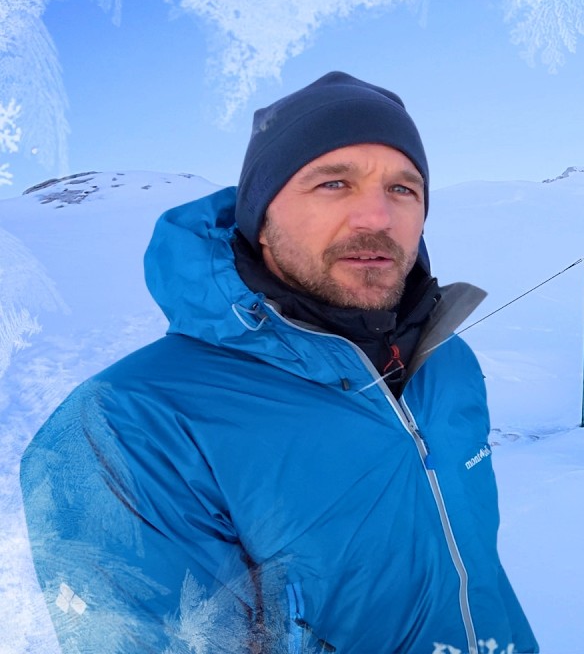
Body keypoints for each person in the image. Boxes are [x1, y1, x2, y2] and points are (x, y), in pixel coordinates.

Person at [21, 72, 538, 654]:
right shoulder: (129, 424)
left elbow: (476, 575)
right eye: (333, 183)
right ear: (260, 218)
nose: (376, 217)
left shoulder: (448, 364)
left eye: (403, 189)